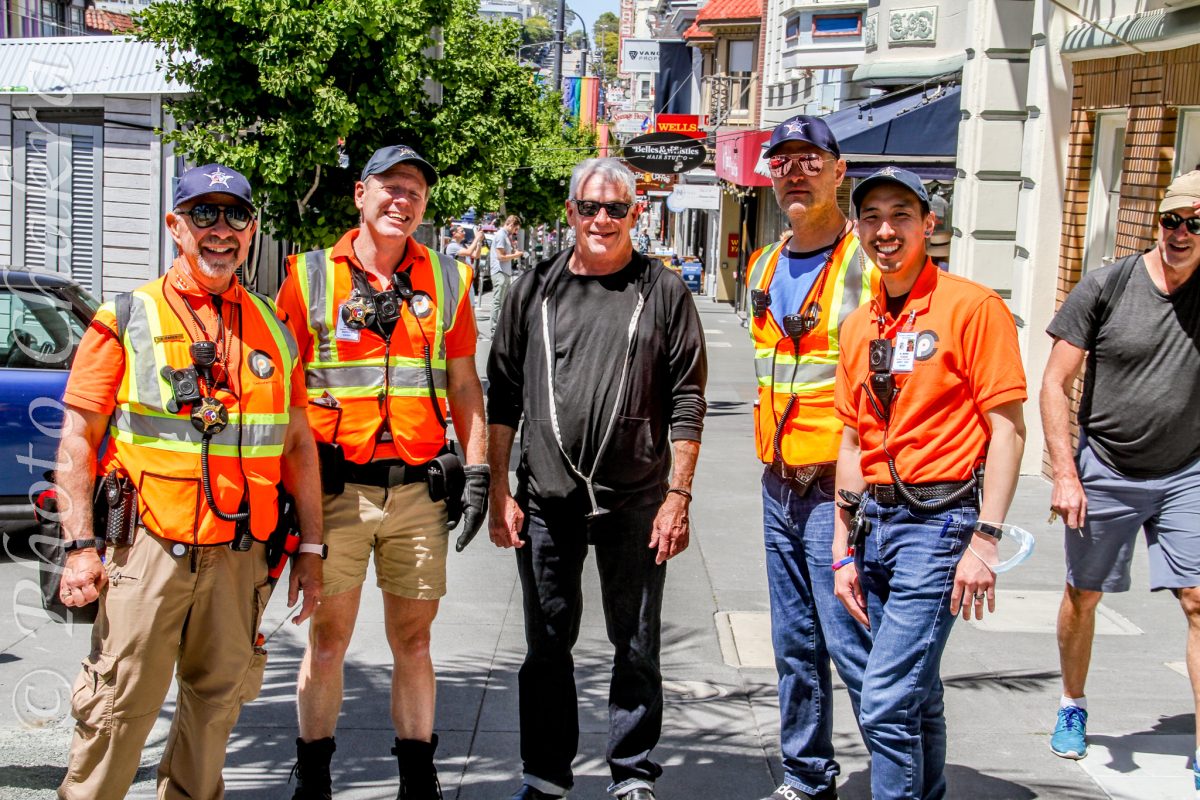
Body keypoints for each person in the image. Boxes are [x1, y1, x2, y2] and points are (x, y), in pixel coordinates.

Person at [55, 164, 324, 799]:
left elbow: (296, 446)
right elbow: (76, 440)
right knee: (117, 713)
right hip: (144, 552)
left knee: (214, 716)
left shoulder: (274, 329)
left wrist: (310, 549)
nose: (220, 230)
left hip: (240, 558)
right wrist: (80, 548)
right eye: (204, 214)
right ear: (175, 225)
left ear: (252, 230)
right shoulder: (125, 316)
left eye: (235, 216)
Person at [486, 157, 707, 800]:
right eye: (590, 207)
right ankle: (546, 775)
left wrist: (679, 496)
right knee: (547, 642)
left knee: (635, 642)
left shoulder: (663, 291)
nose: (602, 219)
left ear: (636, 214)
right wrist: (499, 489)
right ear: (571, 212)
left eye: (616, 208)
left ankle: (631, 771)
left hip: (637, 500)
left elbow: (689, 399)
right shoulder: (534, 288)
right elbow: (503, 395)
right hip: (546, 500)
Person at [276, 145, 489, 800]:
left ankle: (417, 782)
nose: (403, 200)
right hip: (335, 490)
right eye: (391, 187)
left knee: (414, 641)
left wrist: (477, 471)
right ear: (361, 196)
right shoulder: (310, 278)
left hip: (417, 492)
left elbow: (463, 383)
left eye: (416, 193)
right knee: (329, 637)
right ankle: (314, 778)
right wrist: (285, 492)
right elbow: (282, 394)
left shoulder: (448, 280)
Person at [832, 167, 1026, 800]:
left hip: (940, 523)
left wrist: (986, 540)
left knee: (885, 698)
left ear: (929, 224)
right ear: (858, 228)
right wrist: (842, 550)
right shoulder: (861, 325)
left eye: (901, 215)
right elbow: (854, 438)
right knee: (919, 697)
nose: (885, 230)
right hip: (876, 524)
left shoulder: (973, 307)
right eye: (872, 217)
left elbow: (1007, 430)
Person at [1042, 170, 1200, 773]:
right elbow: (1054, 384)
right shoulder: (1108, 285)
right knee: (1085, 595)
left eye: (1195, 224)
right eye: (1172, 221)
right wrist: (1065, 473)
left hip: (1187, 470)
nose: (1181, 233)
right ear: (1158, 223)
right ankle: (1072, 703)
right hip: (1105, 466)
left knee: (1197, 599)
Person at [744, 114, 874, 800]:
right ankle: (805, 778)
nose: (796, 172)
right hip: (779, 485)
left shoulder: (867, 267)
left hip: (838, 490)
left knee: (851, 643)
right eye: (783, 160)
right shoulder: (763, 265)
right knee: (795, 647)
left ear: (836, 169)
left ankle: (895, 776)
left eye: (810, 160)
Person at [490, 214, 525, 336]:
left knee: (503, 302)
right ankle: (494, 330)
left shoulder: (505, 236)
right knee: (497, 301)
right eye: (515, 229)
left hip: (504, 272)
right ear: (510, 224)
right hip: (499, 271)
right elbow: (500, 257)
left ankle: (500, 328)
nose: (515, 232)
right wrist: (516, 255)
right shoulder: (500, 235)